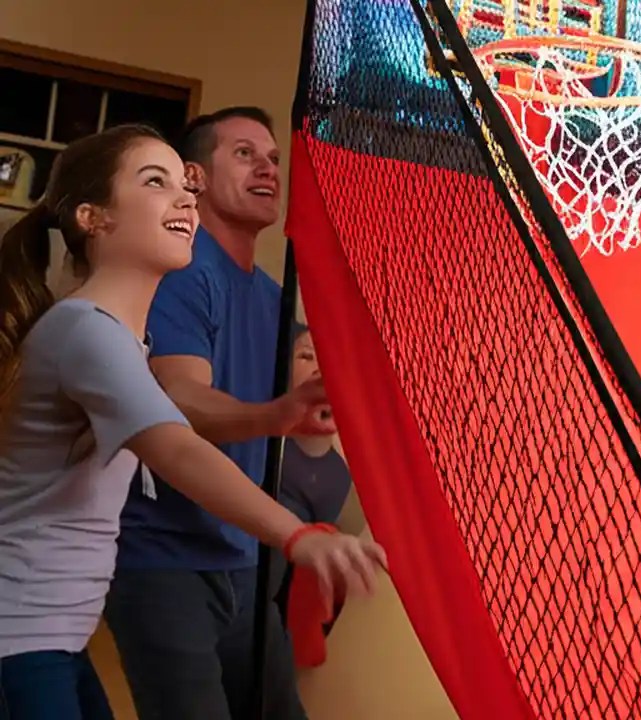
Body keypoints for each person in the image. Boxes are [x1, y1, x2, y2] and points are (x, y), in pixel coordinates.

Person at [0, 125, 386, 720]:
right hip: (20, 643)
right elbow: (176, 447)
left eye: (184, 185)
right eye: (156, 182)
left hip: (56, 640)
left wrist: (279, 415)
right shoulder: (87, 332)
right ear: (92, 217)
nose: (184, 198)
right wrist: (297, 533)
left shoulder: (122, 337)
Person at [102, 108, 337, 720]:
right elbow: (181, 400)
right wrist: (275, 414)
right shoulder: (183, 270)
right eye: (244, 153)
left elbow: (302, 395)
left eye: (273, 158)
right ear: (196, 177)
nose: (267, 167)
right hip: (166, 561)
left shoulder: (271, 296)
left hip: (244, 559)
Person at [271, 325, 356, 667]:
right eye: (306, 356)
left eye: (329, 359)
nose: (320, 367)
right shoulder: (259, 433)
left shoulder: (337, 476)